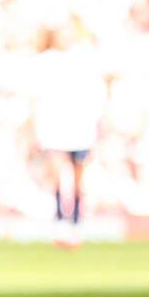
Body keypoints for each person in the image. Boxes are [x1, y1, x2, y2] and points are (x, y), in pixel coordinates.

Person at [31, 24, 104, 249]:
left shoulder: (84, 59)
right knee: (57, 176)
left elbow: (96, 93)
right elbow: (37, 96)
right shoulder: (47, 61)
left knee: (78, 178)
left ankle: (75, 224)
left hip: (80, 127)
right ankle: (61, 223)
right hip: (55, 128)